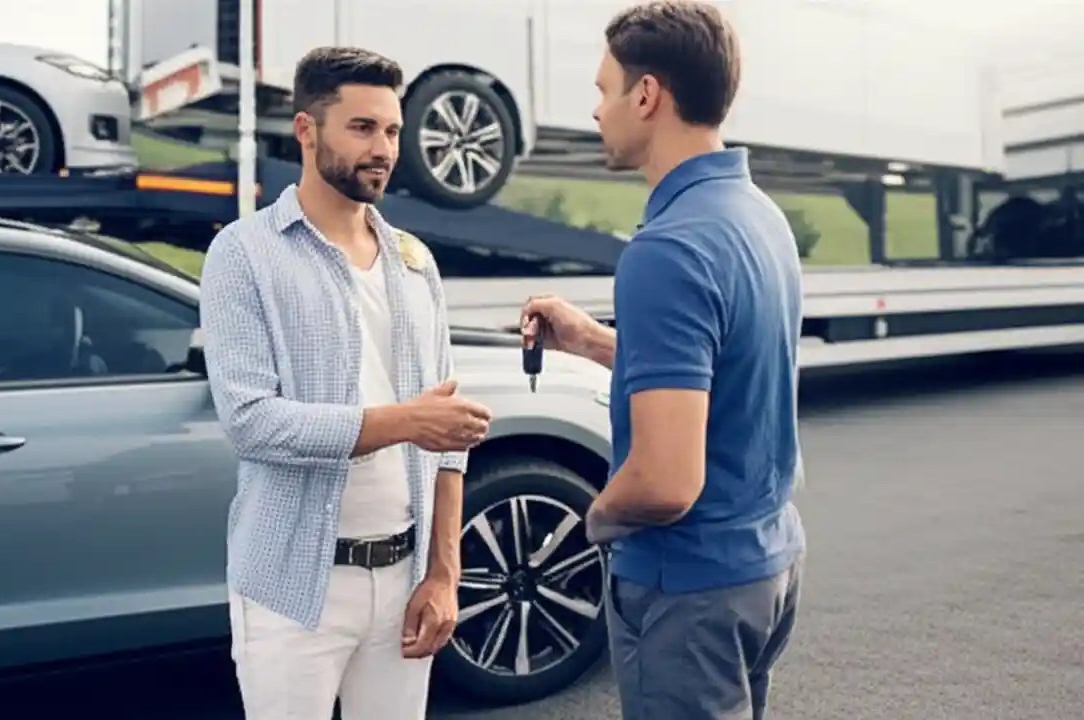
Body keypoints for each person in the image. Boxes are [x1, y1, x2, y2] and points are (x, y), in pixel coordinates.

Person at [520, 2, 806, 718]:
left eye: (603, 89)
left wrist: (594, 517)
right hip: (764, 566)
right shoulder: (758, 216)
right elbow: (724, 366)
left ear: (646, 94)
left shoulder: (667, 248)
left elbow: (665, 483)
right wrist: (593, 341)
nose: (596, 110)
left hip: (688, 589)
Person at [199, 46, 492, 719]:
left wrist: (443, 574)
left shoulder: (415, 264)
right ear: (306, 130)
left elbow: (448, 440)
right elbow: (251, 423)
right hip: (291, 586)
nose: (383, 149)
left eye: (391, 130)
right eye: (362, 128)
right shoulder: (243, 253)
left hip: (404, 581)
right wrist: (405, 422)